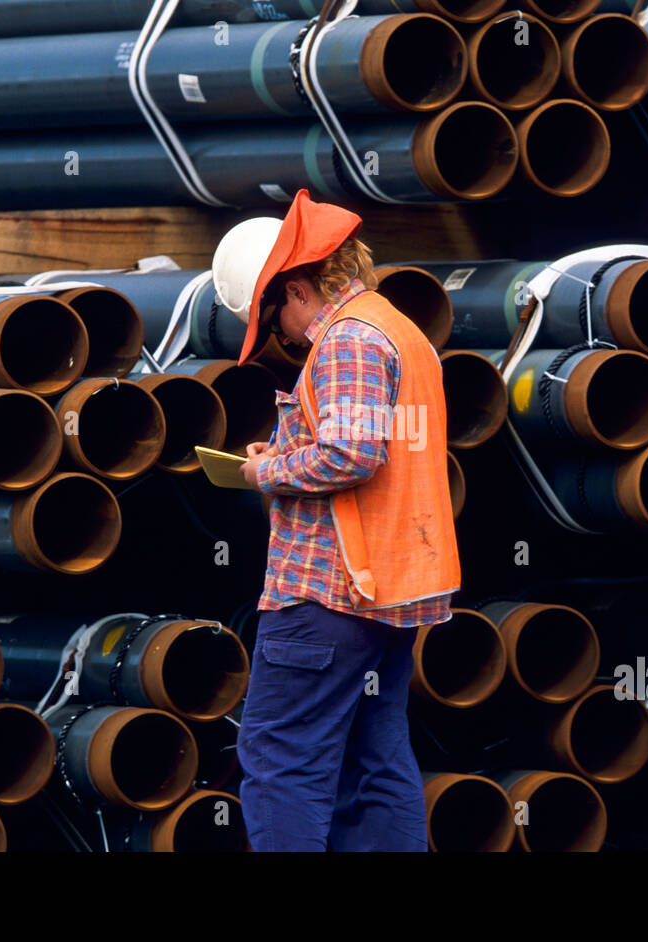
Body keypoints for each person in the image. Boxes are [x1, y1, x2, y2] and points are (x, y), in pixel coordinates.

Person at [211, 189, 461, 851]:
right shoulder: (401, 331)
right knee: (374, 760)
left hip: (328, 593)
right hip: (390, 593)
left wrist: (266, 471)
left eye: (273, 323)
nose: (281, 340)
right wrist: (292, 451)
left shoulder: (347, 339)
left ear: (294, 289)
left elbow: (353, 453)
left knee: (280, 762)